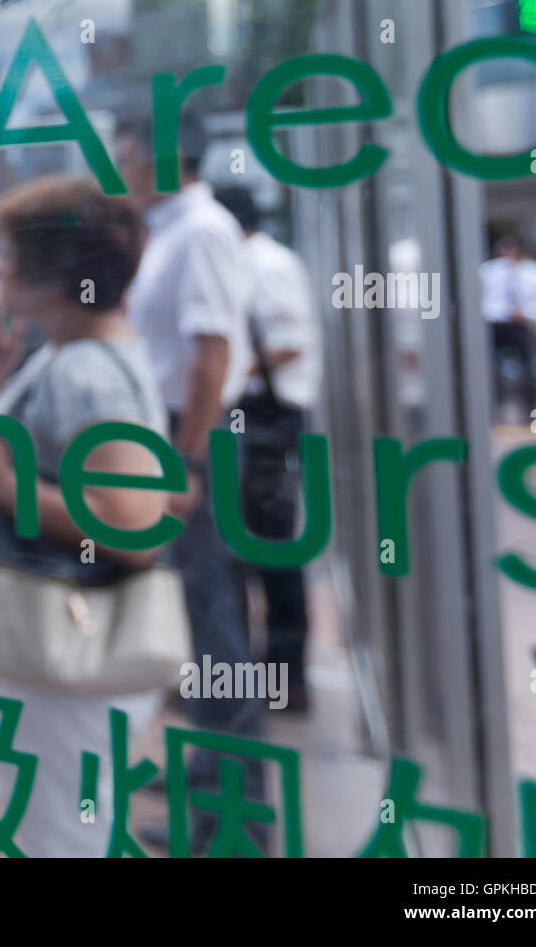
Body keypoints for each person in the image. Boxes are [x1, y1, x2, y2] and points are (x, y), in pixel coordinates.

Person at [0, 175, 169, 857]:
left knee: (58, 836)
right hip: (70, 651)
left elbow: (133, 525)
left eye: (9, 252)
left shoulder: (85, 373)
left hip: (70, 659)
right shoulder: (84, 355)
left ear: (56, 276)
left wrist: (5, 489)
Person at [115, 111, 270, 854]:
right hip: (174, 437)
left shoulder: (200, 229)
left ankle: (232, 823)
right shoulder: (173, 229)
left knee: (212, 631)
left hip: (189, 441)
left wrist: (186, 459)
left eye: (124, 151)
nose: (118, 167)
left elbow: (212, 355)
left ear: (154, 155)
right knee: (201, 628)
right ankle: (212, 781)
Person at [215, 184, 321, 712]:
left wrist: (227, 373)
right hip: (250, 416)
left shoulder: (268, 265)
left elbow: (289, 342)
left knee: (273, 547)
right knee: (242, 548)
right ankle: (251, 677)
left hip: (268, 418)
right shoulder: (247, 262)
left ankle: (286, 679)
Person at [480, 235, 536, 421]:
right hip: (495, 324)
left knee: (529, 371)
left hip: (525, 326)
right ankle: (495, 415)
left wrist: (528, 314)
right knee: (491, 370)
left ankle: (531, 416)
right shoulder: (488, 270)